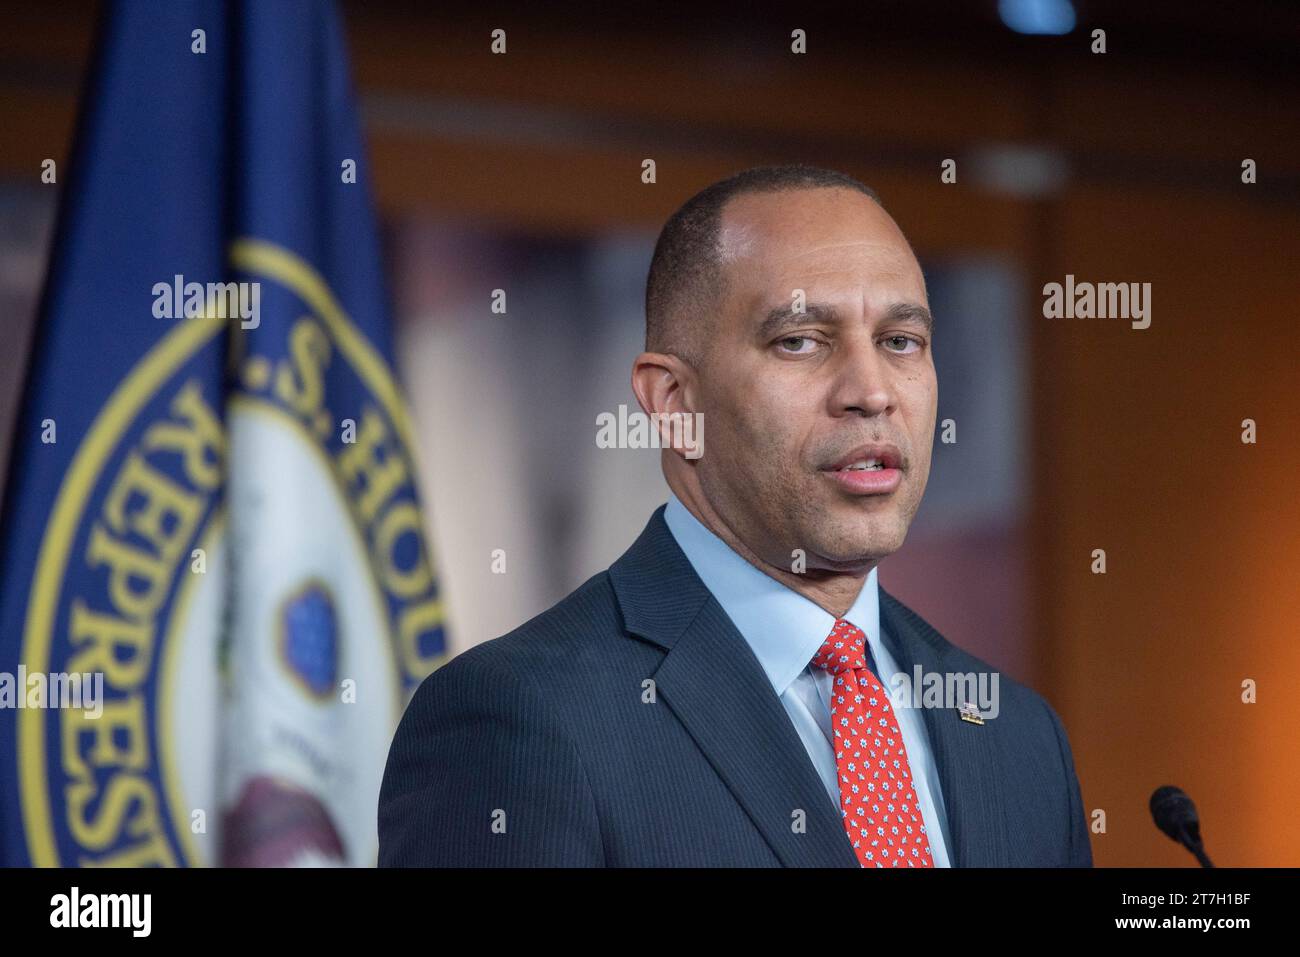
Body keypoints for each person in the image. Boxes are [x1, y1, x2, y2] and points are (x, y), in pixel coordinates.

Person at [378, 164, 1092, 867]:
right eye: (801, 341)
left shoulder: (1018, 736)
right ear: (674, 402)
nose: (872, 392)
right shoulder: (520, 721)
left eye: (900, 341)